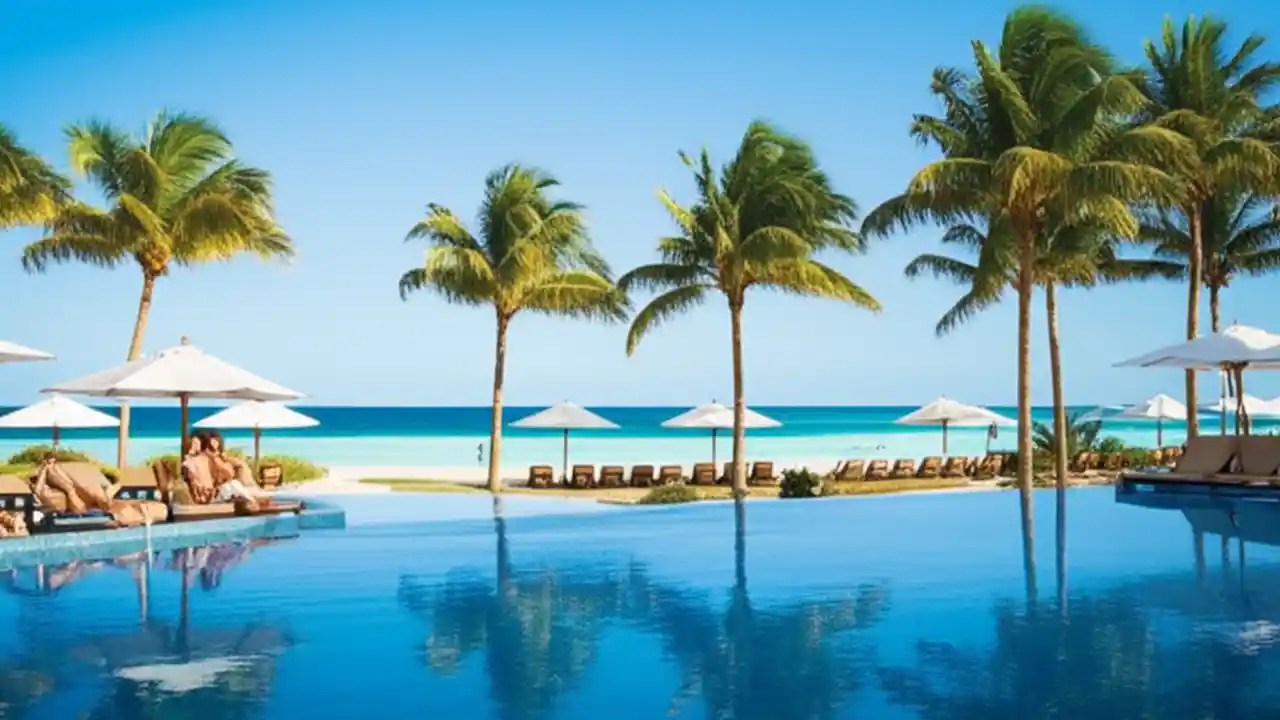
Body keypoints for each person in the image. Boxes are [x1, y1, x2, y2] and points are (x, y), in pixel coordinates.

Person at [204, 430, 271, 509]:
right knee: (233, 484)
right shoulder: (210, 458)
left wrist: (226, 459)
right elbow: (218, 476)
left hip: (230, 487)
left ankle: (255, 498)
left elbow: (232, 469)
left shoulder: (221, 457)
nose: (214, 443)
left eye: (216, 441)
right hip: (221, 489)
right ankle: (253, 501)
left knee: (237, 483)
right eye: (212, 441)